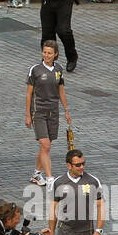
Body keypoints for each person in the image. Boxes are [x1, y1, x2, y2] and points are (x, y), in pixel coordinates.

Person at [25, 41, 71, 187]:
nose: (46, 55)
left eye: (49, 53)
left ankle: (36, 173)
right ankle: (50, 177)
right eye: (44, 52)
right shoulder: (35, 70)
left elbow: (61, 90)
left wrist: (66, 110)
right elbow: (29, 94)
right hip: (38, 111)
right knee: (45, 144)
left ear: (55, 54)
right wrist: (27, 115)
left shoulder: (59, 69)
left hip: (54, 111)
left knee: (46, 145)